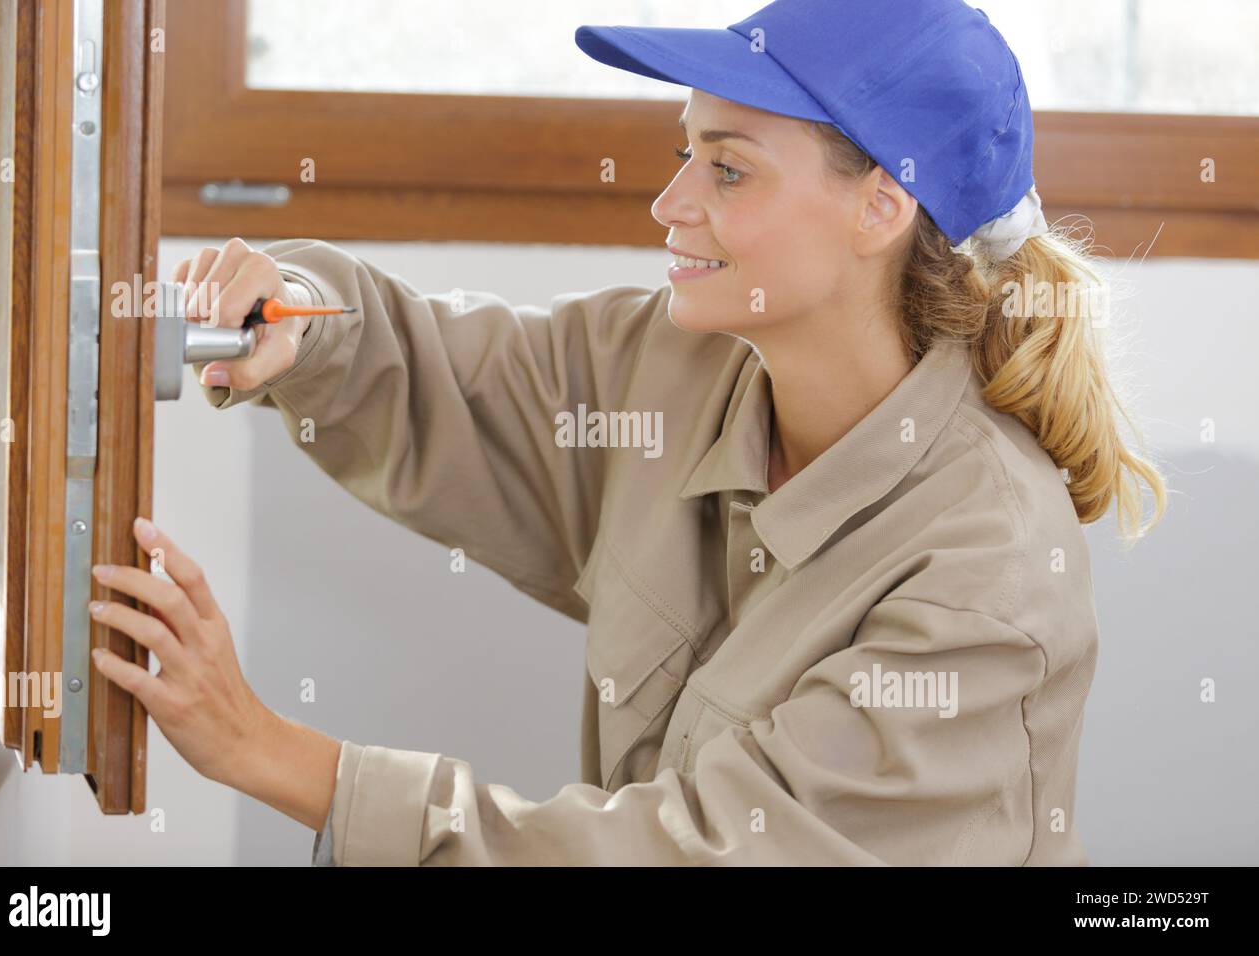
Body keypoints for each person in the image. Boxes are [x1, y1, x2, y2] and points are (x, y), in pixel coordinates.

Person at [89, 0, 1167, 865]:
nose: (669, 201)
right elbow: (459, 380)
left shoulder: (984, 578)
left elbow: (697, 851)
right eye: (684, 152)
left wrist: (269, 750)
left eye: (727, 168)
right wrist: (298, 314)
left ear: (878, 209)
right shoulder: (679, 367)